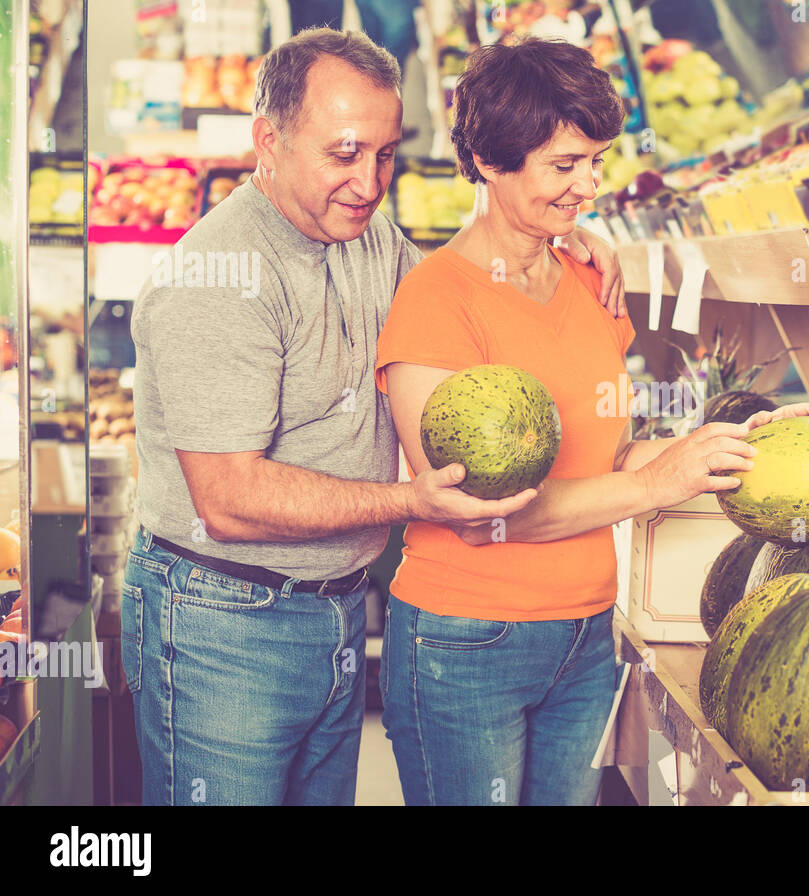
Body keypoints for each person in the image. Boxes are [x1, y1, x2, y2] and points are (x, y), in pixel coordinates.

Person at [123, 27, 624, 806]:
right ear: (269, 140)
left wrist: (555, 235)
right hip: (222, 618)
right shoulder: (216, 279)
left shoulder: (361, 232)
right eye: (344, 153)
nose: (368, 181)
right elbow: (226, 499)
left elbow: (460, 289)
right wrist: (409, 503)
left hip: (335, 608)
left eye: (385, 154)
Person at [376, 37, 809, 806]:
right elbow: (489, 512)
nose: (589, 186)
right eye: (565, 166)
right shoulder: (436, 300)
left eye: (596, 161)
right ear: (491, 162)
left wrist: (729, 449)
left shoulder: (592, 276)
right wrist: (663, 481)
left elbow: (609, 453)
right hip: (465, 641)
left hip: (587, 635)